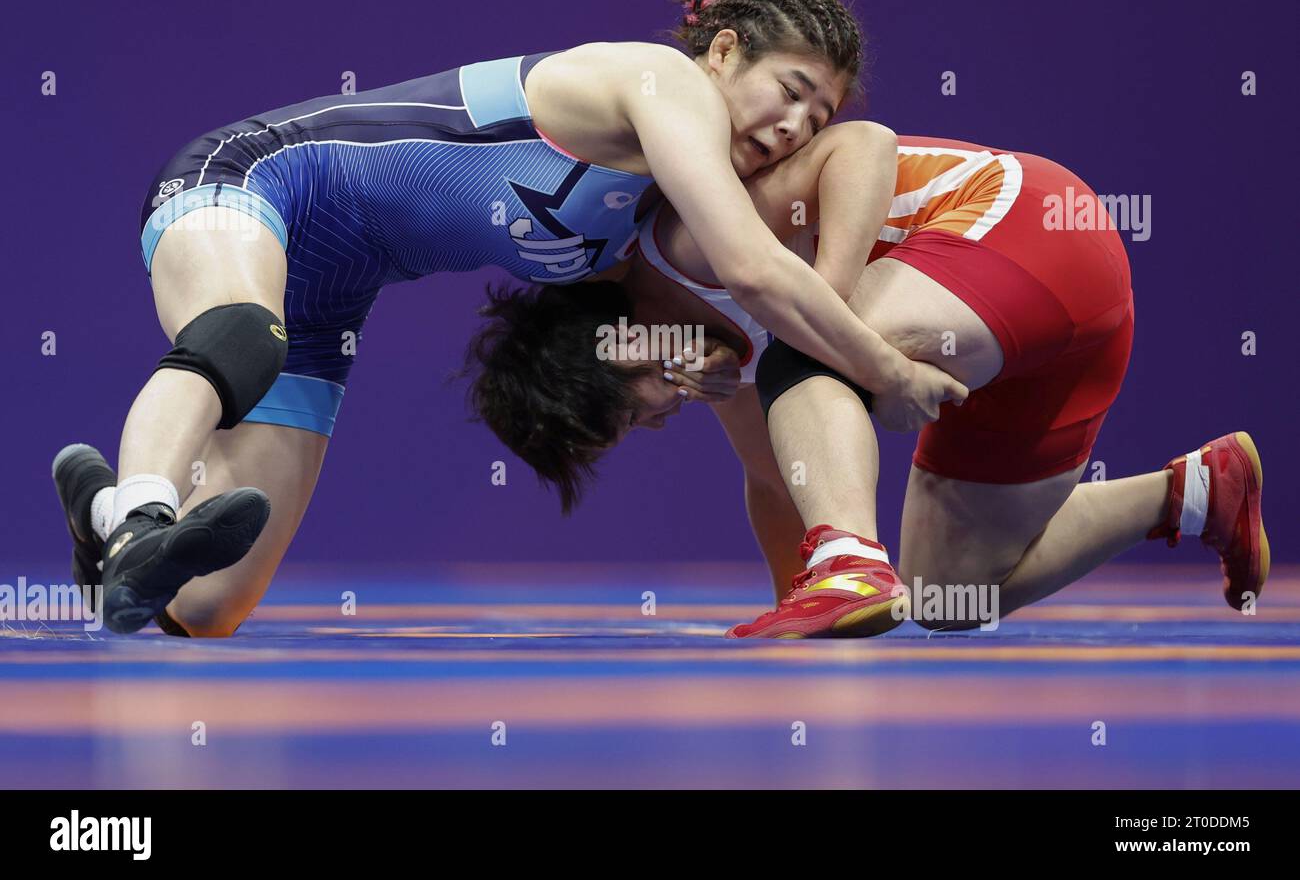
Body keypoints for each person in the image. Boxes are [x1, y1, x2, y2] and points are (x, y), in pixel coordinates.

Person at [54, 0, 939, 636]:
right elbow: (752, 270)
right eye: (789, 92)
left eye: (816, 117)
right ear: (722, 52)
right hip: (255, 180)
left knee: (205, 607)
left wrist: (695, 359)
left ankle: (101, 516)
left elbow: (687, 358)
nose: (795, 128)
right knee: (241, 333)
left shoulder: (668, 201)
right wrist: (883, 366)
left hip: (330, 302)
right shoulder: (656, 83)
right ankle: (136, 514)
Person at [473, 134, 1268, 637]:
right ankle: (1194, 492)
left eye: (628, 417)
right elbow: (777, 479)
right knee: (948, 594)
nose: (656, 423)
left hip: (1032, 227)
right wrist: (802, 605)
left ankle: (851, 561)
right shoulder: (714, 359)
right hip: (1063, 333)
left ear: (612, 351)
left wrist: (828, 306)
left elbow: (861, 142)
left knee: (803, 347)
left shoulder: (691, 237)